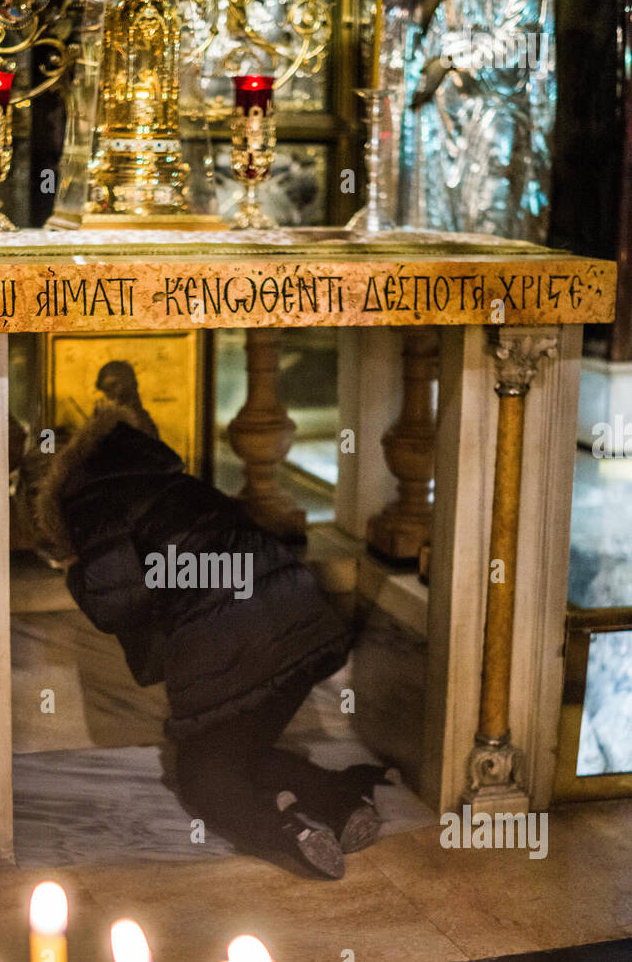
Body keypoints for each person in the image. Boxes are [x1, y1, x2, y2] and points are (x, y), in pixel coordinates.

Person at [24, 363, 391, 880]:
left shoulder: (91, 506)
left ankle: (290, 833)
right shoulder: (160, 480)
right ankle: (342, 804)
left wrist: (75, 571)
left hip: (234, 645)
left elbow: (117, 605)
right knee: (242, 755)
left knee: (199, 776)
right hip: (300, 625)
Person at [385, 0, 555, 241]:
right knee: (436, 227)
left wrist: (450, 63)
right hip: (440, 116)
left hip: (496, 108)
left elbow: (523, 42)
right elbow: (399, 33)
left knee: (493, 218)